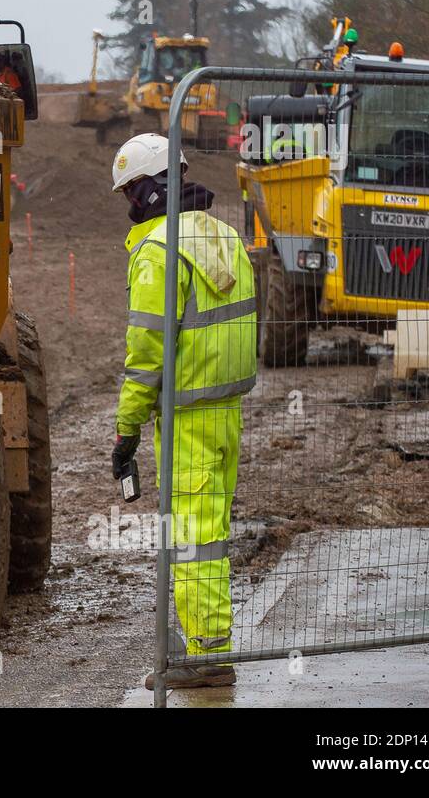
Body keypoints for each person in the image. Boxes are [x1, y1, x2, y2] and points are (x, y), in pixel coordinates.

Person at [109, 133, 258, 690]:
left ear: (148, 189)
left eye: (130, 191)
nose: (127, 204)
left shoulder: (157, 252)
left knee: (192, 539)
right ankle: (210, 642)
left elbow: (146, 356)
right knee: (211, 534)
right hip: (226, 410)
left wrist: (126, 431)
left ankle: (207, 658)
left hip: (187, 417)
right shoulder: (223, 234)